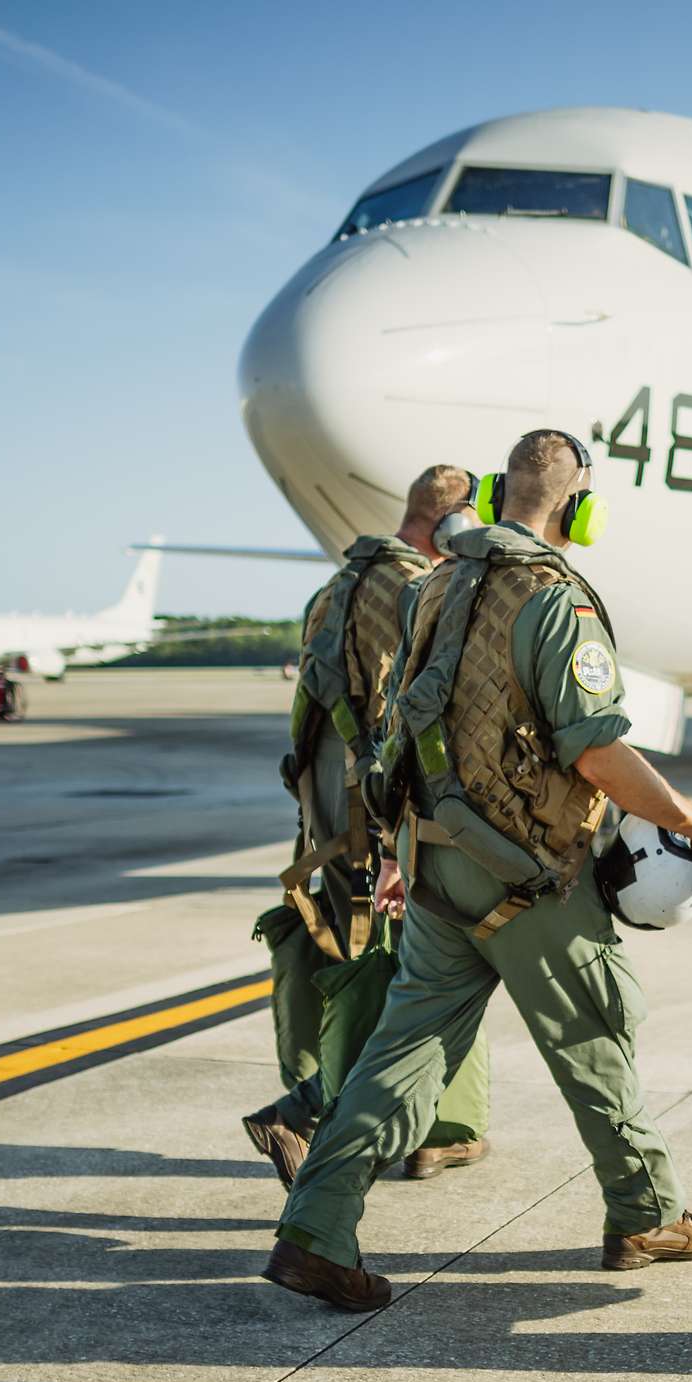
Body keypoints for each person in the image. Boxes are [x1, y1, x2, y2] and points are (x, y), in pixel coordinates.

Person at [263, 428, 692, 1311]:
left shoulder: (435, 584)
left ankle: (314, 1229)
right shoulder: (554, 601)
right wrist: (687, 820)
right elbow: (595, 749)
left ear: (494, 490)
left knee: (400, 1057)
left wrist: (407, 849)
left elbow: (401, 724)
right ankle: (646, 1214)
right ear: (577, 506)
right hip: (533, 875)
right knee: (595, 1037)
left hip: (439, 868)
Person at [243, 465, 493, 1189]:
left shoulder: (333, 590)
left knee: (354, 961)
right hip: (382, 811)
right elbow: (410, 720)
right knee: (431, 961)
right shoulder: (421, 590)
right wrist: (397, 839)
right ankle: (342, 1117)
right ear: (454, 525)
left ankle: (392, 1122)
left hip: (326, 815)